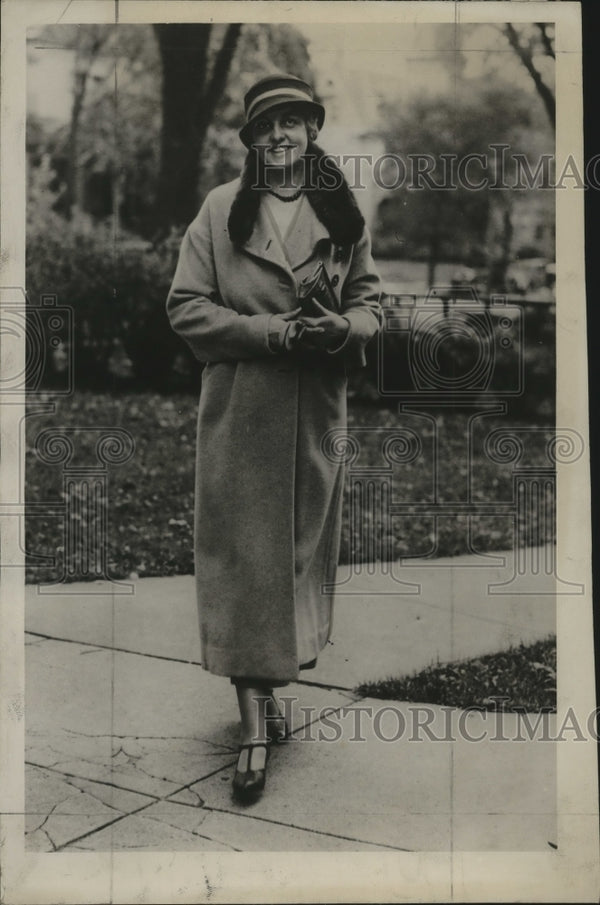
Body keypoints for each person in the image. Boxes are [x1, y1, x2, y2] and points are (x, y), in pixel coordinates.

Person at [166, 73, 381, 803]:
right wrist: (268, 330)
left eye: (295, 121)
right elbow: (186, 308)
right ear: (252, 140)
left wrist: (344, 328)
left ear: (312, 131)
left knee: (288, 566)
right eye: (269, 125)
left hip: (316, 417)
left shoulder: (343, 211)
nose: (282, 135)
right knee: (245, 567)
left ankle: (268, 696)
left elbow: (370, 302)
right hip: (241, 415)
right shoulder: (222, 210)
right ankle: (253, 729)